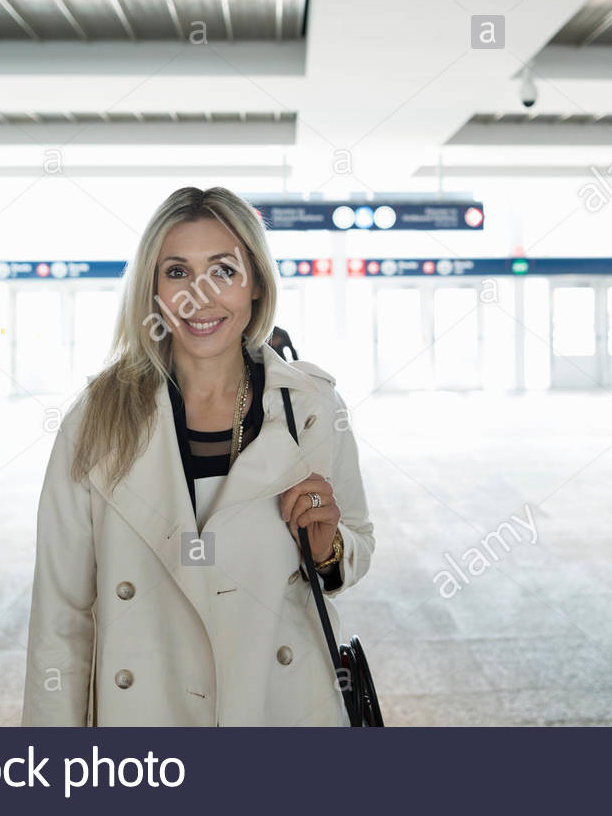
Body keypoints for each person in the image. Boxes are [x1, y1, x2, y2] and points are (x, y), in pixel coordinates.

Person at [22, 186, 375, 726]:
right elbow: (60, 619)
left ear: (256, 283)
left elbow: (357, 544)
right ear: (152, 289)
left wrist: (327, 551)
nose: (200, 297)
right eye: (178, 272)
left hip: (279, 707)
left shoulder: (311, 408)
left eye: (224, 272)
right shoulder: (95, 420)